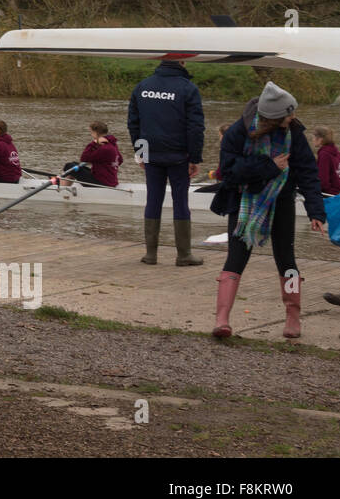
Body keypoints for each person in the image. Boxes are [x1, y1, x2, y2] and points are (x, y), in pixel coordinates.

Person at [212, 82, 325, 339]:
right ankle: (222, 320)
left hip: (282, 200)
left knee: (287, 259)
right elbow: (229, 173)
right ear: (273, 118)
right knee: (236, 257)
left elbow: (308, 171)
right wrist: (269, 167)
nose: (293, 117)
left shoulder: (294, 132)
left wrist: (316, 212)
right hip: (244, 201)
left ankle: (293, 317)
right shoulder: (237, 132)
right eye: (289, 113)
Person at [128, 59, 205, 266]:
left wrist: (141, 152)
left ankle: (150, 255)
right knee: (181, 202)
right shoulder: (188, 88)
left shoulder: (142, 86)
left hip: (151, 155)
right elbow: (195, 127)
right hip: (179, 156)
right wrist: (195, 157)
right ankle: (184, 255)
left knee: (153, 199)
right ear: (180, 62)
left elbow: (134, 123)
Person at [62, 121, 122, 187]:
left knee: (69, 166)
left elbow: (84, 158)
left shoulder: (104, 148)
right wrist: (103, 164)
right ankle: (64, 185)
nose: (91, 135)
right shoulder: (113, 144)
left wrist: (93, 143)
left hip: (102, 183)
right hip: (111, 180)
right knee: (74, 165)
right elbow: (120, 160)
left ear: (95, 132)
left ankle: (61, 189)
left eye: (91, 132)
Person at [312, 127, 340, 196]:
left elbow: (323, 182)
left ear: (320, 139)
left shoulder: (324, 155)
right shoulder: (338, 154)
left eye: (313, 137)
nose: (312, 140)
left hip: (333, 194)